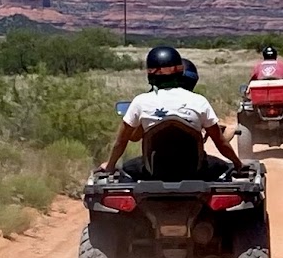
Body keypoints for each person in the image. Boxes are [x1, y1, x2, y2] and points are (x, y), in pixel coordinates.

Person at [99, 46, 243, 178]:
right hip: (195, 171)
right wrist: (237, 164)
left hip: (153, 172)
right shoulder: (199, 101)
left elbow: (121, 141)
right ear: (180, 71)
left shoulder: (140, 102)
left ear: (150, 73)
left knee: (125, 169)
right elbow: (220, 142)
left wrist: (110, 165)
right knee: (225, 168)